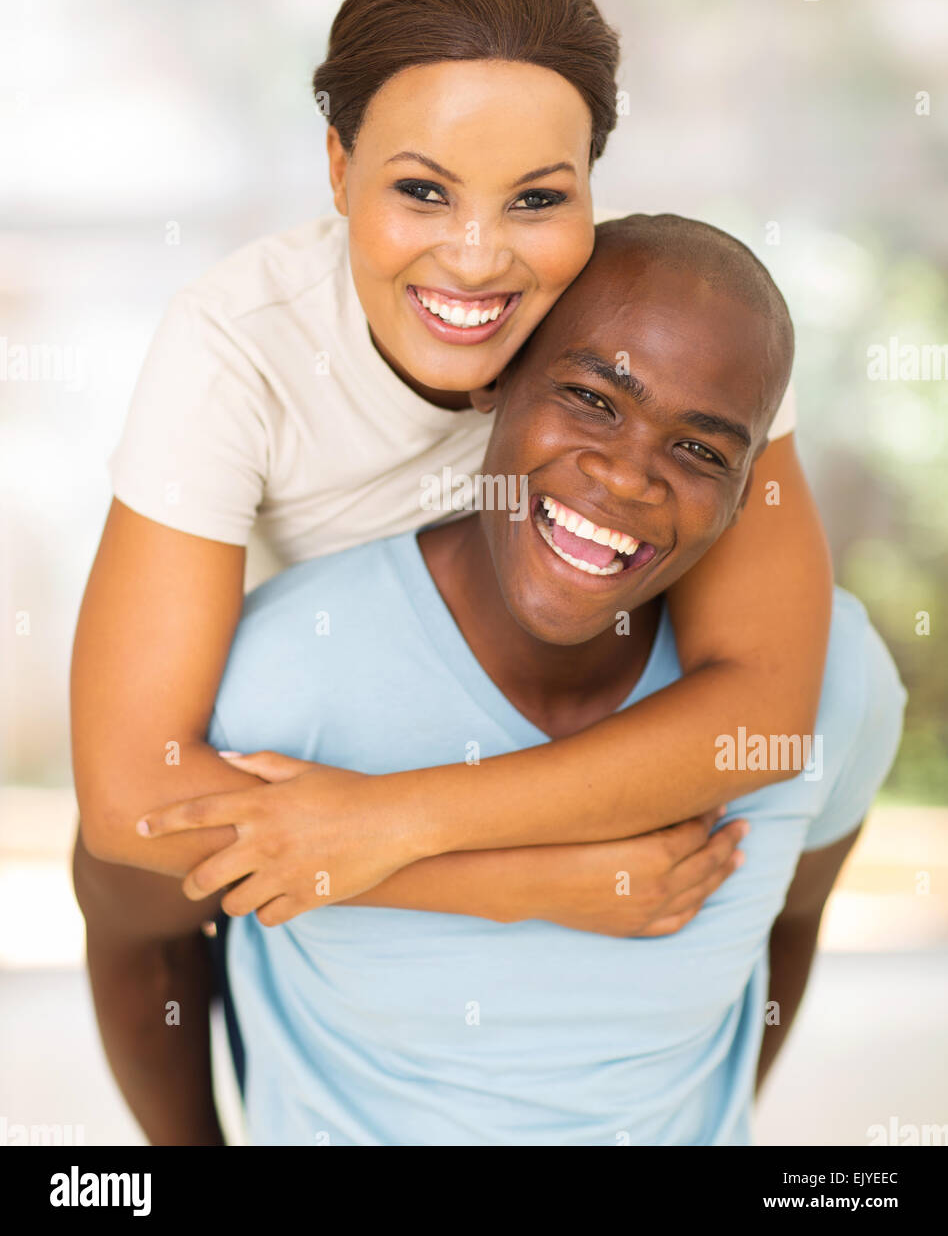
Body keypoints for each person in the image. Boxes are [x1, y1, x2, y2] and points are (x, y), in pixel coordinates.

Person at [71, 0, 829, 1147]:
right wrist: (515, 875)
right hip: (314, 723)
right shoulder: (235, 345)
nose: (477, 258)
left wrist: (404, 821)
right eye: (421, 189)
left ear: (590, 181)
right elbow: (127, 797)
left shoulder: (655, 315)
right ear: (337, 166)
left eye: (538, 197)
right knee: (115, 877)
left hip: (544, 671)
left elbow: (772, 703)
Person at [137, 214, 906, 1144]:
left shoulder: (837, 686)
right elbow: (132, 928)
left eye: (700, 450)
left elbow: (789, 926)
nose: (627, 479)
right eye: (591, 398)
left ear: (747, 498)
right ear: (495, 382)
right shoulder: (280, 675)